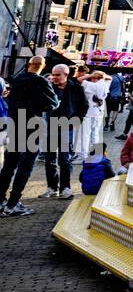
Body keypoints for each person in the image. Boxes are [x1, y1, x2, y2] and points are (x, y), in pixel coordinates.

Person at [0, 57, 57, 217]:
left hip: (15, 125)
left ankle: (1, 200)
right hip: (33, 127)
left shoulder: (17, 80)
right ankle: (13, 204)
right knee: (25, 166)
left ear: (28, 65)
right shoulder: (41, 82)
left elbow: (9, 99)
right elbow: (54, 103)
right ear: (43, 66)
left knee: (9, 165)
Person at [40, 64, 85, 200]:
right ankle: (52, 187)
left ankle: (66, 187)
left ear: (66, 75)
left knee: (65, 159)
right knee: (50, 159)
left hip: (67, 127)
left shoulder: (76, 88)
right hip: (51, 126)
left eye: (57, 75)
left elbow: (84, 106)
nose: (54, 77)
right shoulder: (49, 87)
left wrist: (77, 121)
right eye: (53, 74)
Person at [81, 70, 110, 156]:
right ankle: (96, 153)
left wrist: (89, 75)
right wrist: (102, 75)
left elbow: (79, 79)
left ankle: (84, 155)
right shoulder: (105, 84)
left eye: (92, 78)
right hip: (99, 112)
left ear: (94, 78)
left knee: (85, 135)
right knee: (95, 134)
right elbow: (109, 78)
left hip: (89, 112)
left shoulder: (91, 85)